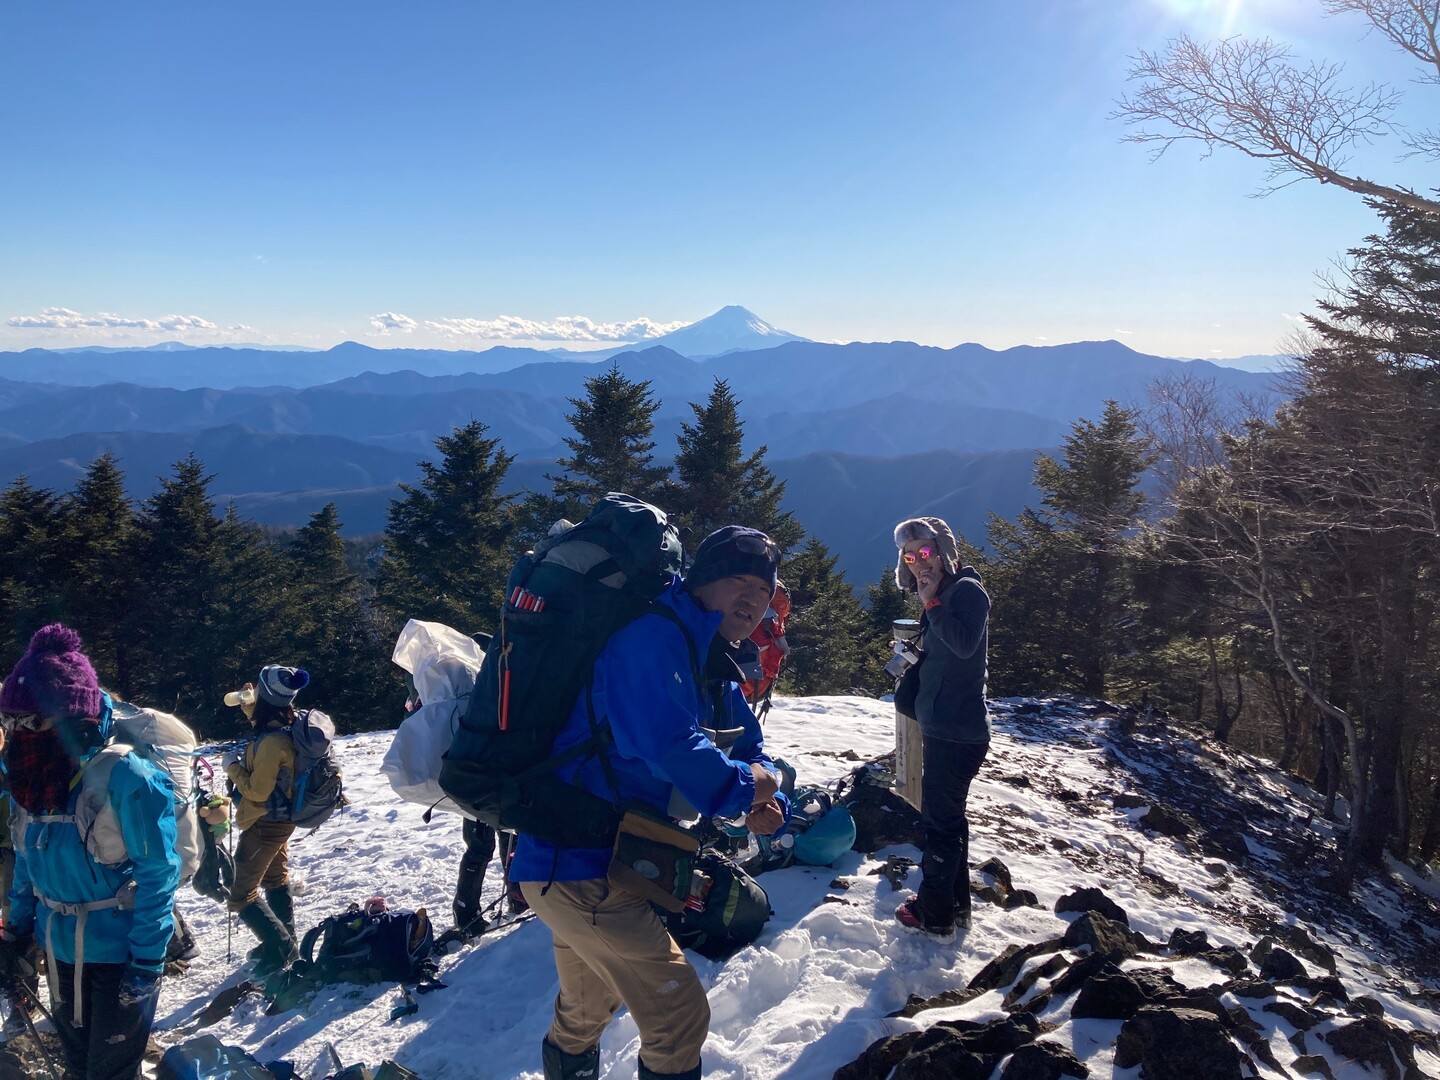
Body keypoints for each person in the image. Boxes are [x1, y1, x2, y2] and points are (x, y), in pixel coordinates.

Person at [511, 525, 789, 1080]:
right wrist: (746, 788)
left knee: (589, 1004)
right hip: (578, 864)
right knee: (679, 1015)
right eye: (739, 581)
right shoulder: (652, 636)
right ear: (703, 579)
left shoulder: (706, 653)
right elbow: (664, 742)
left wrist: (769, 782)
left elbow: (748, 743)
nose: (751, 601)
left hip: (603, 860)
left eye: (763, 592)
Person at [0, 624, 181, 1078]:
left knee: (112, 1072)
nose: (20, 733)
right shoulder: (30, 784)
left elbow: (159, 874)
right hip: (59, 949)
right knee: (78, 1066)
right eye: (11, 722)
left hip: (120, 957)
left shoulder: (128, 778)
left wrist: (146, 962)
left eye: (33, 721)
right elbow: (27, 861)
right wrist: (16, 932)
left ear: (68, 719)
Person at [891, 517, 991, 938]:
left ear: (944, 550)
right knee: (951, 822)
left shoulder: (966, 591)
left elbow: (966, 645)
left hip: (957, 732)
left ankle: (933, 915)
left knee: (940, 825)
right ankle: (956, 906)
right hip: (945, 728)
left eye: (925, 552)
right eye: (910, 557)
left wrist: (932, 604)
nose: (919, 563)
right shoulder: (944, 593)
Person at [222, 664, 313, 976]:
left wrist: (231, 766)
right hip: (279, 820)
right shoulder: (285, 723)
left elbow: (257, 791)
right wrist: (249, 704)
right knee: (275, 879)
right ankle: (285, 942)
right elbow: (265, 723)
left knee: (240, 894)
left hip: (264, 823)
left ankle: (282, 948)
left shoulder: (272, 743)